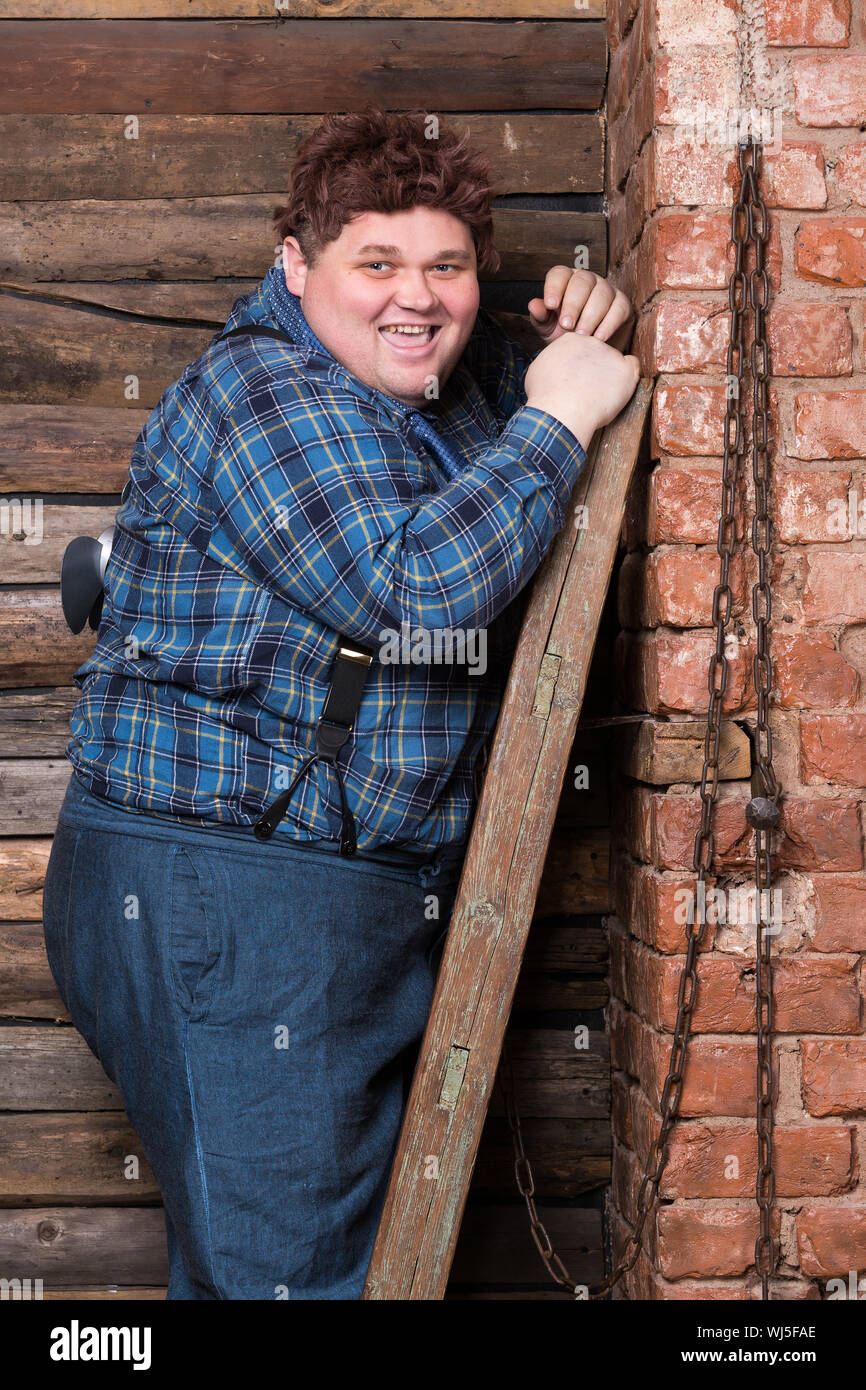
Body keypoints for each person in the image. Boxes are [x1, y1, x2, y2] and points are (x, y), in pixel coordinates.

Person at [41, 106, 640, 1300]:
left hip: (304, 891)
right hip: (235, 889)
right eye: (375, 262)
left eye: (447, 267)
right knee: (288, 1285)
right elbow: (418, 586)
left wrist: (568, 328)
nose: (414, 298)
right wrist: (562, 411)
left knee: (291, 1272)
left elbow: (472, 441)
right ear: (295, 267)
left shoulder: (413, 392)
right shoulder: (262, 391)